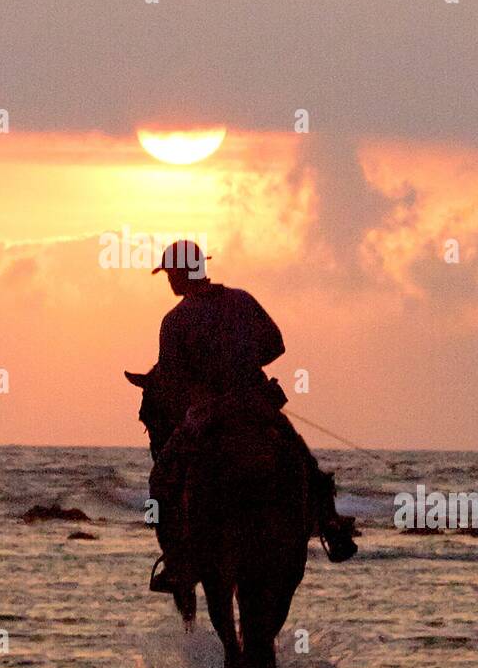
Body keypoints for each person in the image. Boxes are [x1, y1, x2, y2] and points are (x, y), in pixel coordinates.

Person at [139, 240, 358, 594]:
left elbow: (172, 379)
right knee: (305, 462)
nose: (169, 281)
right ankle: (332, 527)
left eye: (170, 274)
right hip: (258, 404)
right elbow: (276, 345)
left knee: (161, 480)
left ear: (181, 274)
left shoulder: (175, 320)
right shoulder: (242, 299)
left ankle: (177, 564)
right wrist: (244, 363)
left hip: (206, 416)